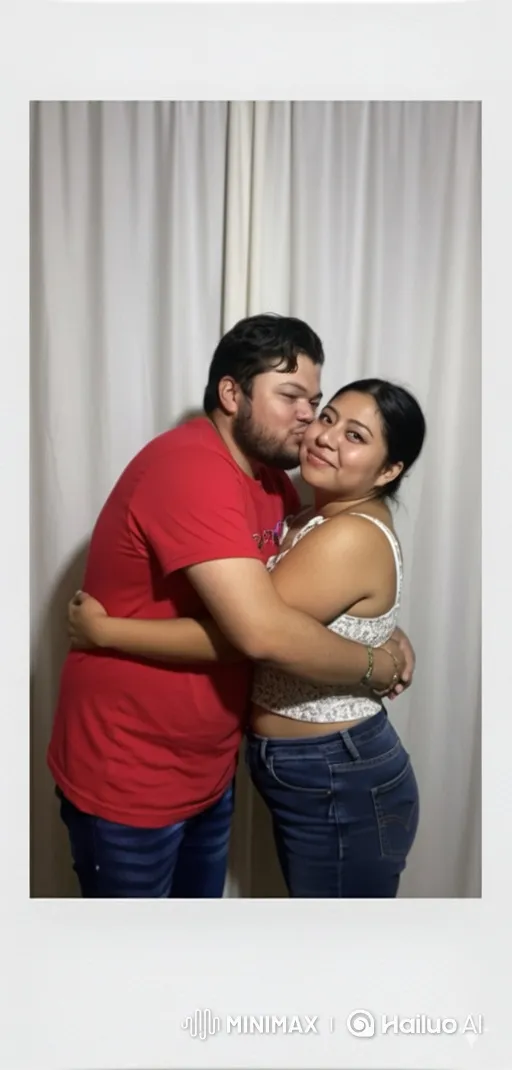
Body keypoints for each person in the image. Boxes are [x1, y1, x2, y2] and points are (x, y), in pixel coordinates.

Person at [50, 313, 413, 898]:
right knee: (128, 949)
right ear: (231, 393)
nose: (309, 419)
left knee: (201, 945)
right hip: (131, 769)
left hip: (209, 769)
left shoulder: (275, 483)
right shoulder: (190, 468)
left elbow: (306, 600)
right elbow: (260, 631)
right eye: (292, 397)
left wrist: (379, 631)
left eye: (314, 401)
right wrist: (375, 663)